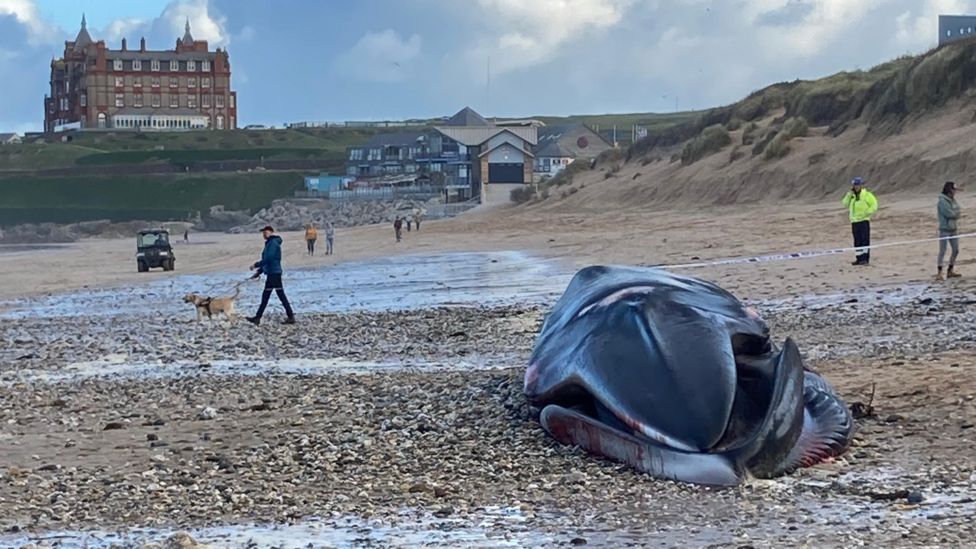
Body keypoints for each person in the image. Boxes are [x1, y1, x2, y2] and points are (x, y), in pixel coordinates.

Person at [246, 225, 296, 326]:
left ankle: (289, 317)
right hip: (272, 273)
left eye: (266, 232)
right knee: (270, 295)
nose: (264, 234)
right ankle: (258, 317)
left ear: (271, 232)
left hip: (274, 273)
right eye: (263, 232)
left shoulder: (273, 243)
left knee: (275, 296)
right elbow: (268, 261)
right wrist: (259, 272)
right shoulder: (270, 243)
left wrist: (256, 265)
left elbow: (269, 258)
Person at [842, 176, 878, 266]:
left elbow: (874, 205)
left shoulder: (867, 195)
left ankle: (865, 259)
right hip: (854, 222)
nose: (856, 186)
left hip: (864, 221)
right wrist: (848, 195)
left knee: (864, 240)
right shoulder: (852, 196)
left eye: (858, 184)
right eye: (855, 185)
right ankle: (859, 258)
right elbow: (845, 204)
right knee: (857, 241)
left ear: (861, 185)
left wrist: (867, 213)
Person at [936, 181, 962, 280]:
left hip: (953, 229)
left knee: (956, 250)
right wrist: (955, 213)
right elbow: (949, 213)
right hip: (944, 229)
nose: (955, 191)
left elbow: (958, 211)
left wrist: (956, 213)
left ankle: (950, 270)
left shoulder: (953, 200)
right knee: (942, 250)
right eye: (954, 189)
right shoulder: (942, 201)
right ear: (949, 190)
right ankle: (939, 272)